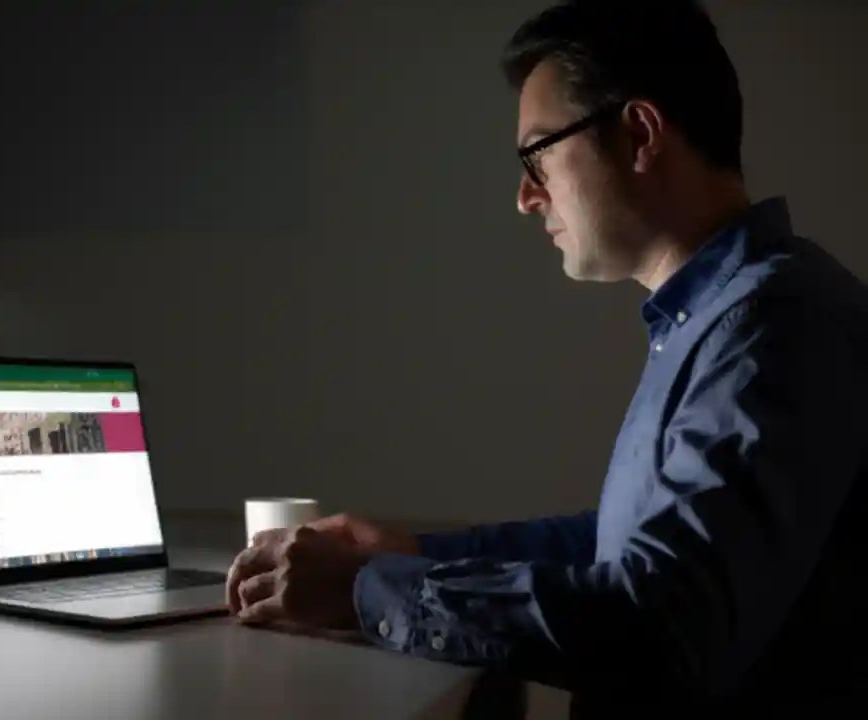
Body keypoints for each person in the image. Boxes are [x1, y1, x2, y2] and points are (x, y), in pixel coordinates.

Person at [226, 0, 868, 712]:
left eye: (538, 154)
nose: (527, 197)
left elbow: (663, 619)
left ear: (639, 133)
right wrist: (411, 554)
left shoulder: (771, 326)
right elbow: (623, 547)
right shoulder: (723, 318)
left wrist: (361, 590)